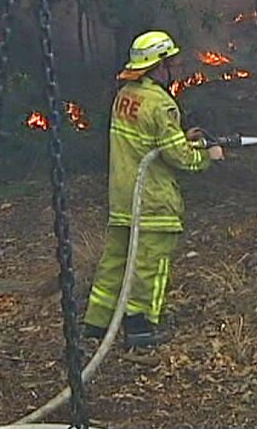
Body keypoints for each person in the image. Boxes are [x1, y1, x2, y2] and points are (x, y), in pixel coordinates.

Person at [83, 30, 224, 348]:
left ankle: (96, 325)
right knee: (151, 266)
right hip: (152, 201)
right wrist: (208, 156)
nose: (176, 68)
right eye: (172, 63)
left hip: (123, 197)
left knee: (115, 263)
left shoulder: (125, 96)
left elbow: (148, 143)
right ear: (158, 66)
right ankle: (141, 328)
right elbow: (179, 158)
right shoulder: (161, 104)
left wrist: (181, 137)